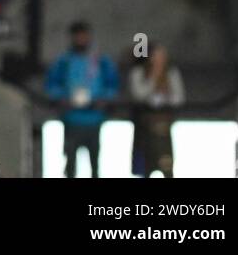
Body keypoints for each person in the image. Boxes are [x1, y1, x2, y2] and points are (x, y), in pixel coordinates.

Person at [45, 21, 120, 178]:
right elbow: (51, 85)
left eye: (83, 36)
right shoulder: (64, 61)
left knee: (95, 163)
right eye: (77, 36)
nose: (81, 39)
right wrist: (62, 99)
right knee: (70, 163)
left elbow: (113, 85)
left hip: (94, 119)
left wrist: (103, 99)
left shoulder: (101, 60)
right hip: (72, 119)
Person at [129, 43, 185, 177]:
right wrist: (154, 77)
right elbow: (138, 95)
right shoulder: (139, 72)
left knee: (166, 164)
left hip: (164, 126)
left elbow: (179, 98)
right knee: (145, 166)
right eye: (156, 56)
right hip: (144, 127)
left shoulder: (171, 73)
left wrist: (166, 98)